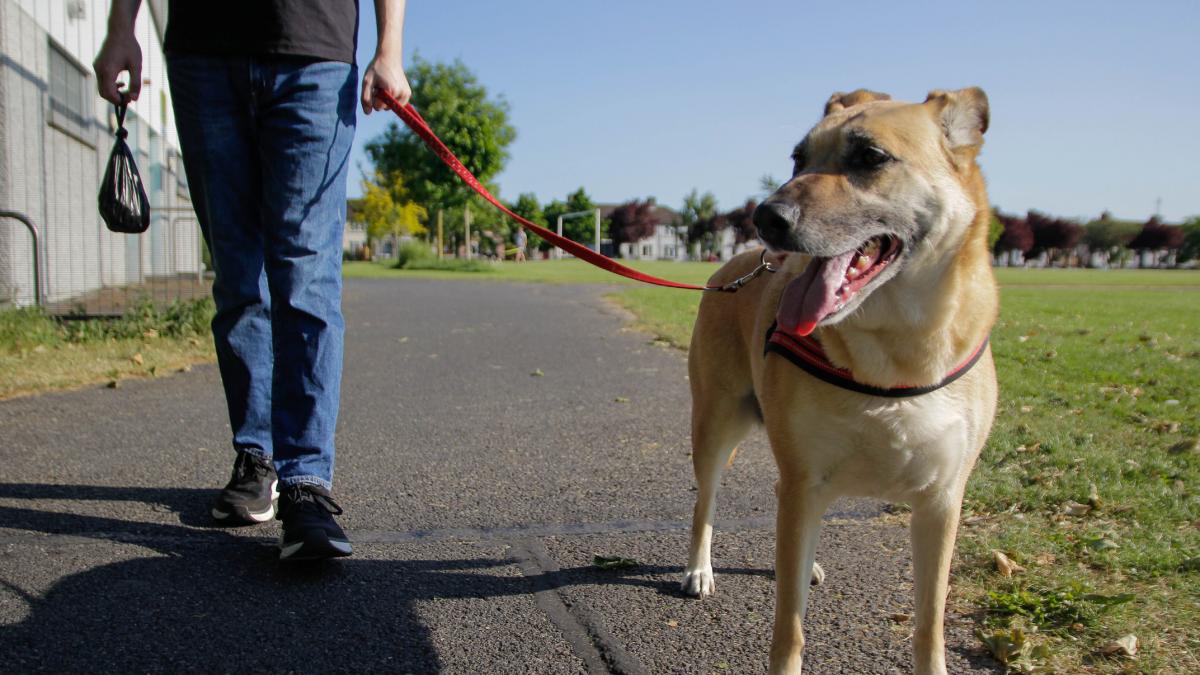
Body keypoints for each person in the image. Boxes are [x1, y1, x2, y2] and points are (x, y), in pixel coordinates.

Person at [94, 0, 411, 561]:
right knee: (239, 279)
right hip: (203, 54)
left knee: (305, 279)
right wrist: (122, 27)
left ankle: (306, 482)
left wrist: (389, 48)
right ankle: (256, 457)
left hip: (315, 51)